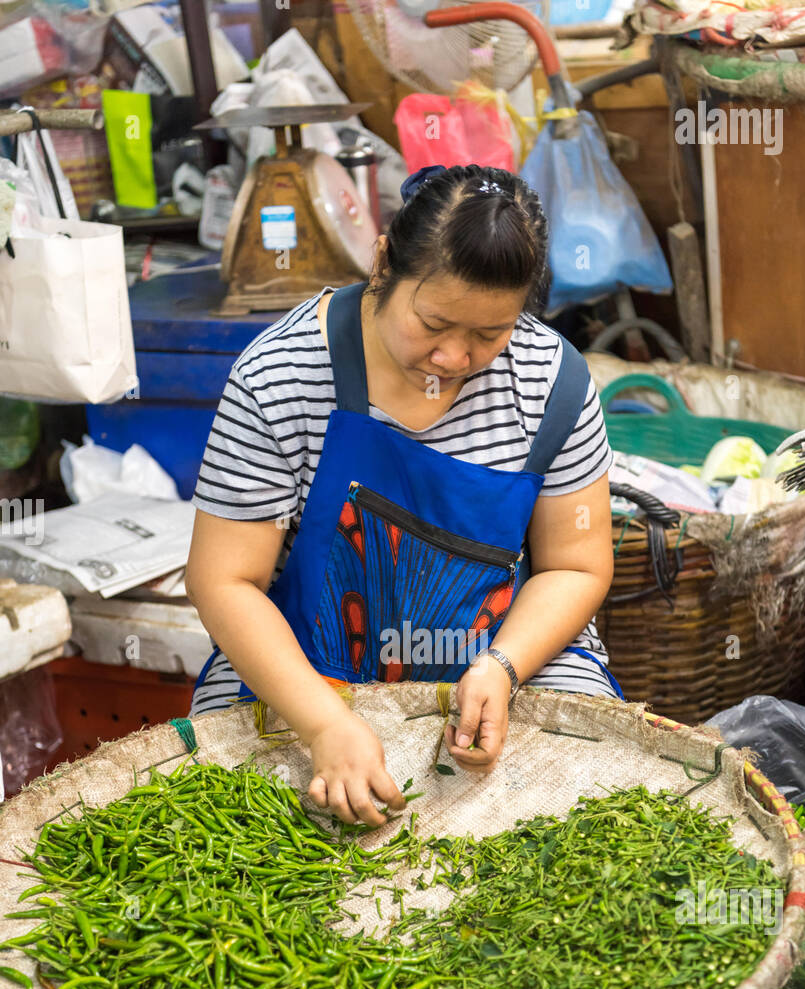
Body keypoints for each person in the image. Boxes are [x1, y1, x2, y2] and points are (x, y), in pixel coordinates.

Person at [185, 162, 621, 829]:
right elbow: (223, 581)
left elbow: (575, 563)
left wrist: (501, 669)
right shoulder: (281, 375)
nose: (452, 357)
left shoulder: (550, 382)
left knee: (590, 817)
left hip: (504, 654)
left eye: (488, 334)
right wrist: (325, 723)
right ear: (383, 260)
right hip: (309, 663)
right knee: (223, 826)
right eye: (434, 322)